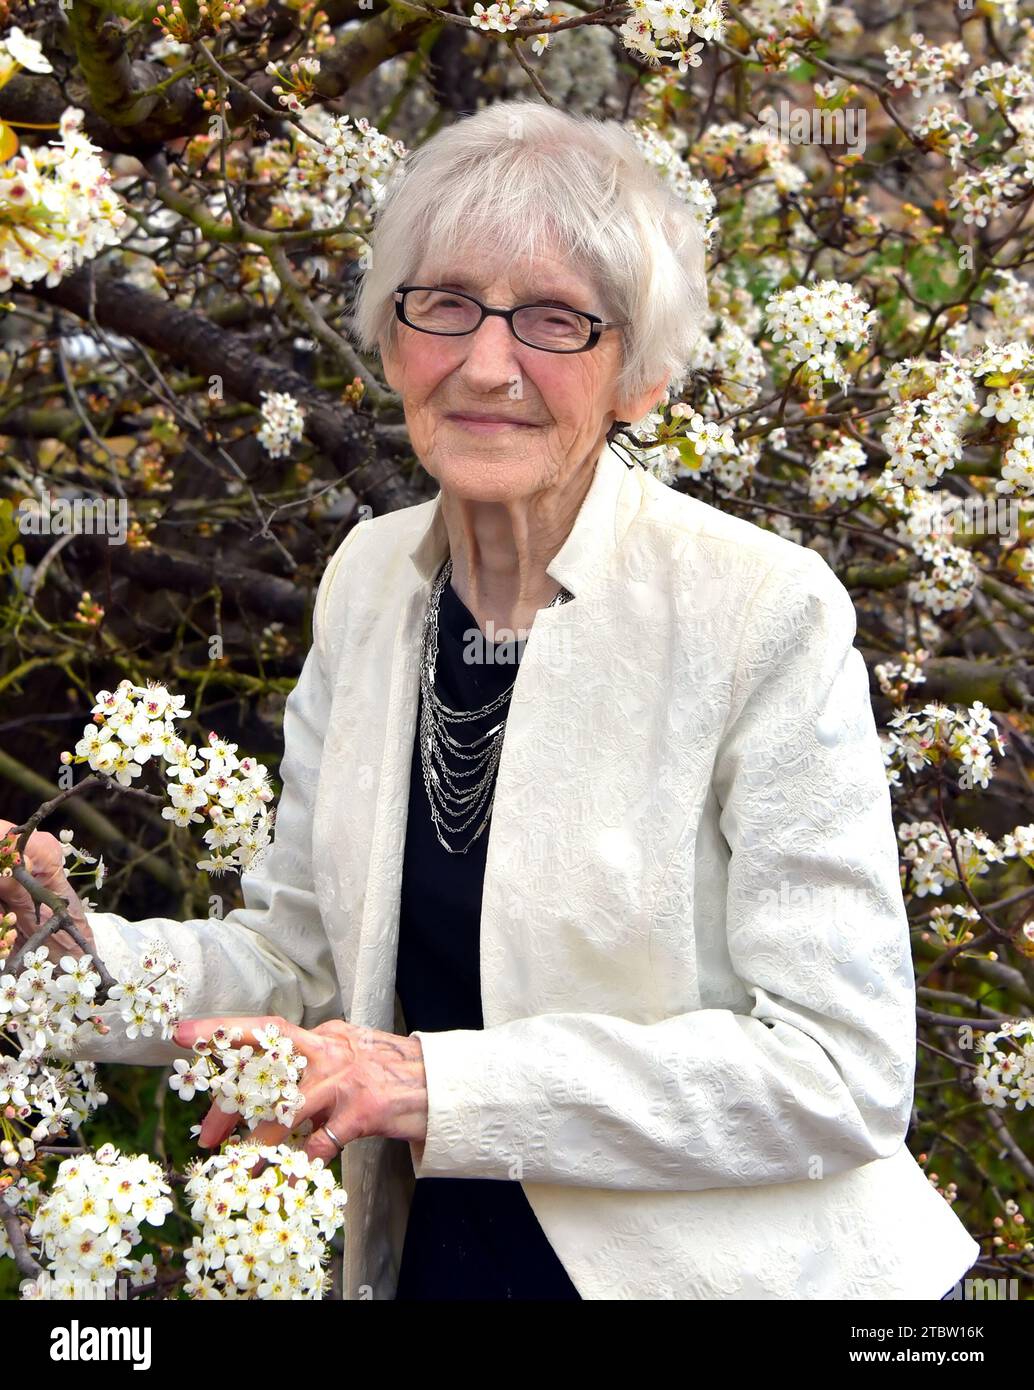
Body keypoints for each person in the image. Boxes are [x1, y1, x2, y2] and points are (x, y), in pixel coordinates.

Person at [0, 100, 979, 1300]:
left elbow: (836, 1068)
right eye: (445, 302)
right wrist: (60, 955)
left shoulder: (761, 610)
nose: (484, 363)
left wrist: (430, 1084)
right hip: (445, 1258)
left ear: (640, 376)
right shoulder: (369, 583)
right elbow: (300, 964)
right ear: (389, 333)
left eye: (555, 319)